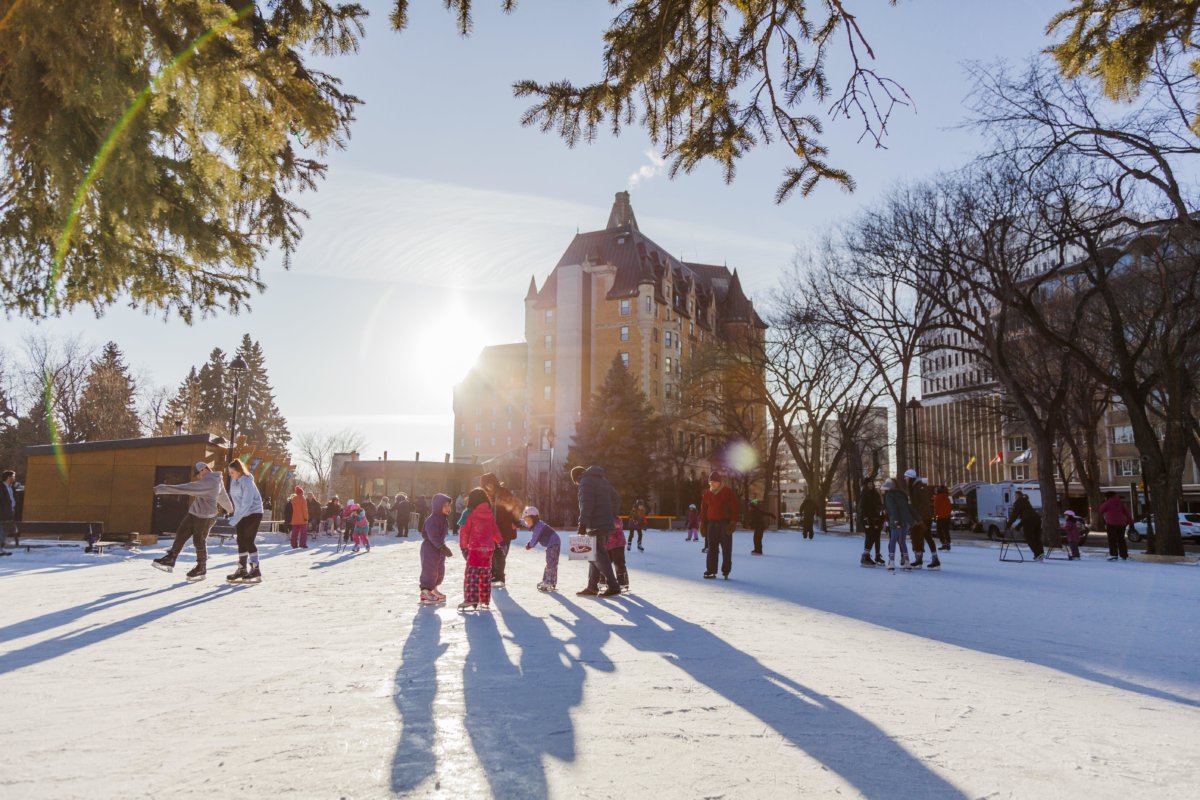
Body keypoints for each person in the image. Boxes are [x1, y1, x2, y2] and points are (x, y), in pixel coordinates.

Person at [151, 461, 234, 581]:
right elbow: (223, 496)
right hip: (195, 512)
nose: (198, 477)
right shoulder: (216, 479)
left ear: (204, 469)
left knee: (199, 540)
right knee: (182, 533)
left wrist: (162, 488)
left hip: (205, 516)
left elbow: (187, 488)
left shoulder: (210, 482)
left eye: (198, 474)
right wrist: (230, 508)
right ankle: (171, 558)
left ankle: (201, 567)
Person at [573, 465, 622, 597]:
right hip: (605, 523)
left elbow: (586, 503)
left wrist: (582, 524)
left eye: (576, 482)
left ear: (578, 477)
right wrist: (611, 514)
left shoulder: (585, 482)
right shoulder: (603, 481)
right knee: (593, 555)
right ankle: (592, 587)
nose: (578, 485)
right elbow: (616, 498)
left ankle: (613, 585)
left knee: (599, 556)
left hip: (595, 524)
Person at [457, 487, 502, 611]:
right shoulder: (489, 513)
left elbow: (464, 531)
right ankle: (484, 599)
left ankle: (471, 599)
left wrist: (463, 547)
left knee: (472, 574)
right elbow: (494, 529)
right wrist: (500, 541)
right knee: (485, 573)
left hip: (476, 547)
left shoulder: (469, 513)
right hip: (488, 549)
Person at [225, 459, 265, 583]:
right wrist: (236, 515)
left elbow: (247, 503)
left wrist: (235, 519)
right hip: (242, 513)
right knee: (240, 540)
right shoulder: (234, 481)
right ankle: (242, 569)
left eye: (232, 472)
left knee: (248, 540)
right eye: (229, 473)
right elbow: (237, 502)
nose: (230, 475)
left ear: (239, 471)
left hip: (254, 512)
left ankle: (255, 569)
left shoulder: (247, 481)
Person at [481, 473, 518, 588]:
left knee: (501, 553)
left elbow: (513, 507)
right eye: (485, 486)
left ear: (494, 484)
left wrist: (515, 521)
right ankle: (493, 574)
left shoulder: (504, 493)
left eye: (489, 485)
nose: (488, 488)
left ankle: (499, 576)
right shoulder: (486, 496)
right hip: (491, 530)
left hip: (504, 529)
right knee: (491, 553)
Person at [700, 471, 739, 580]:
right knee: (711, 547)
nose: (712, 484)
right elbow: (703, 509)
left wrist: (733, 522)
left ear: (719, 482)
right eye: (710, 482)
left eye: (714, 482)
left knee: (726, 548)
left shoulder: (727, 492)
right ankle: (711, 570)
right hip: (711, 524)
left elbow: (734, 507)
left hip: (724, 523)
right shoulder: (707, 494)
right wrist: (703, 523)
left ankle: (726, 570)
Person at [419, 493, 454, 604]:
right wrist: (442, 547)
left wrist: (441, 548)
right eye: (445, 505)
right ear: (438, 506)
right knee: (429, 569)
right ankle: (425, 592)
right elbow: (433, 536)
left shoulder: (443, 519)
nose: (448, 508)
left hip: (438, 548)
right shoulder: (432, 520)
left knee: (439, 569)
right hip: (430, 548)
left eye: (449, 505)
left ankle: (433, 589)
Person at [904, 472, 940, 570]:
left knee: (924, 536)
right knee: (920, 537)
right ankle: (921, 558)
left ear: (910, 478)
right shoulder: (914, 486)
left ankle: (932, 559)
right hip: (920, 517)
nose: (905, 479)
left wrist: (918, 519)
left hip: (922, 518)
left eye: (906, 477)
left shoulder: (919, 487)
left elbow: (922, 504)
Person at [523, 505, 561, 592]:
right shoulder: (537, 524)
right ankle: (549, 581)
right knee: (551, 562)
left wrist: (529, 545)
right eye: (526, 520)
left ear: (534, 518)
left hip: (553, 543)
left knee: (551, 563)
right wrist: (520, 521)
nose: (527, 522)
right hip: (553, 543)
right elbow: (525, 524)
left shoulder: (538, 527)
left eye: (528, 520)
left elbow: (535, 538)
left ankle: (549, 581)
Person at [881, 478, 913, 571]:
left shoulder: (889, 496)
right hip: (904, 521)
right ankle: (907, 562)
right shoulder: (902, 494)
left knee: (893, 540)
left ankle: (891, 562)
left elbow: (893, 509)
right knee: (902, 540)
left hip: (896, 521)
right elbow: (907, 507)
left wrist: (895, 521)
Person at [1006, 489, 1045, 561]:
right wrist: (1018, 526)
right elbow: (1026, 515)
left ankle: (1037, 554)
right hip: (1037, 519)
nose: (1014, 497)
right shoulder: (1026, 501)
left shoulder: (1019, 501)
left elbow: (1015, 514)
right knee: (1036, 537)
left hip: (1029, 520)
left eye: (1015, 496)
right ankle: (1041, 553)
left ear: (1018, 495)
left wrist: (1008, 524)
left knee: (1029, 537)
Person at [1098, 491, 1132, 562]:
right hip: (1121, 523)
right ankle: (1124, 555)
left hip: (1111, 523)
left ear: (1108, 496)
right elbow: (1126, 512)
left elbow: (1101, 510)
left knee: (1112, 539)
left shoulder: (1107, 502)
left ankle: (1114, 554)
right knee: (1121, 539)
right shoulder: (1120, 502)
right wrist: (1130, 521)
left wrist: (1103, 503)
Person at [858, 478, 885, 567]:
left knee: (876, 536)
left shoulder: (875, 493)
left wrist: (880, 514)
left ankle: (875, 555)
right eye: (868, 484)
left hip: (875, 518)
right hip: (867, 518)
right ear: (865, 485)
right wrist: (865, 519)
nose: (870, 485)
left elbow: (879, 505)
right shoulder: (864, 494)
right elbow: (862, 507)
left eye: (871, 483)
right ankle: (865, 556)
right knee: (870, 536)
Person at [601, 516, 630, 592]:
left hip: (617, 543)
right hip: (607, 544)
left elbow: (617, 525)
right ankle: (602, 580)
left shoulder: (616, 517)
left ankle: (622, 581)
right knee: (605, 563)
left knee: (619, 563)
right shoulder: (602, 515)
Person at [0, 469, 17, 556]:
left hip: (9, 513)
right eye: (13, 477)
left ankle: (1, 548)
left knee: (4, 531)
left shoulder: (10, 487)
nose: (14, 479)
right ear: (8, 477)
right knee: (1, 531)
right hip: (2, 513)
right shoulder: (1, 487)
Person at [933, 484, 953, 551]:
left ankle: (943, 544)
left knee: (939, 531)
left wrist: (935, 516)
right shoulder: (946, 497)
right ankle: (948, 544)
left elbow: (936, 508)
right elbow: (950, 507)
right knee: (946, 531)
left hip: (940, 517)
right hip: (947, 516)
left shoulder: (937, 497)